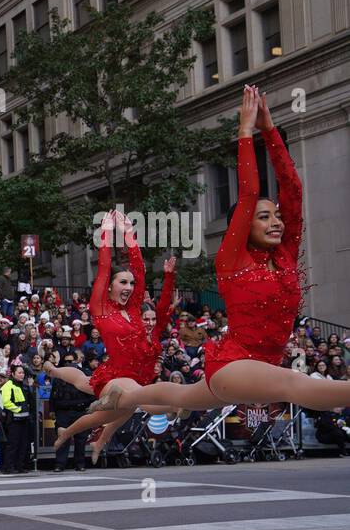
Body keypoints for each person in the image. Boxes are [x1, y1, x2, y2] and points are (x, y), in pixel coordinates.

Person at [91, 86, 350, 415]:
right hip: (235, 365)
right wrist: (244, 131)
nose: (277, 222)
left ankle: (123, 398)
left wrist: (270, 130)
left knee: (182, 398)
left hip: (257, 366)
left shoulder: (283, 255)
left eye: (278, 216)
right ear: (244, 226)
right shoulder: (233, 257)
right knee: (295, 384)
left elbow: (293, 191)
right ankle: (124, 398)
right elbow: (248, 193)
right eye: (264, 217)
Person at [50, 211, 179, 464]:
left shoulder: (134, 309)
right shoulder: (100, 307)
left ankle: (69, 432)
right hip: (116, 377)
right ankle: (180, 404)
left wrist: (130, 234)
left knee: (104, 418)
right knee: (123, 397)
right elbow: (105, 267)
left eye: (131, 284)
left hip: (136, 377)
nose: (129, 288)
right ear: (110, 286)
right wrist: (107, 232)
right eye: (123, 282)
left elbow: (140, 271)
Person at [0, 364, 33, 474]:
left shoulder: (24, 385)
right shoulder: (8, 385)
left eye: (23, 373)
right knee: (13, 444)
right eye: (19, 372)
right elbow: (6, 402)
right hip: (13, 420)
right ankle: (9, 466)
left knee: (23, 444)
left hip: (24, 419)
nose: (22, 375)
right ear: (13, 374)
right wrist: (18, 410)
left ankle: (20, 466)